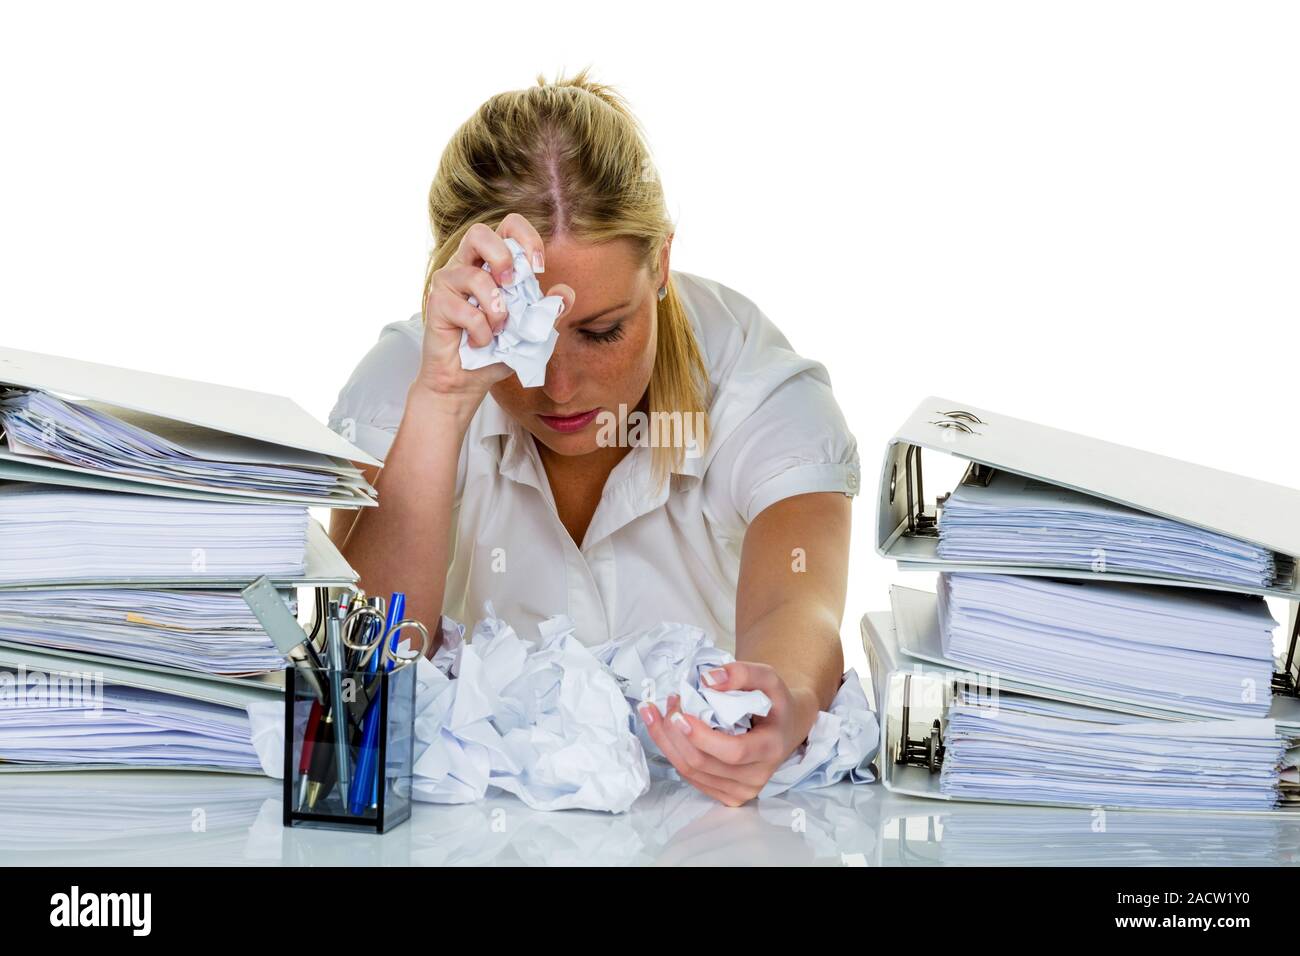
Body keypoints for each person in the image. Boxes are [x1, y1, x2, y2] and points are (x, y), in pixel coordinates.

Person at [327, 69, 860, 806]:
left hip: (702, 829)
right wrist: (442, 405)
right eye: (522, 339)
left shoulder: (758, 389)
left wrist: (786, 700)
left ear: (663, 263)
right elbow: (355, 683)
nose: (560, 386)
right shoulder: (404, 385)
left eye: (602, 330)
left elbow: (802, 607)